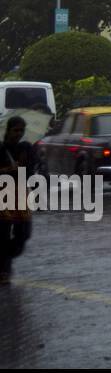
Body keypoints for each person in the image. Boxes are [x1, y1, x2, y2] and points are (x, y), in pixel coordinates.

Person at [0, 116, 36, 284]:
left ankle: (5, 258)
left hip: (22, 194)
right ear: (8, 130)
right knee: (3, 233)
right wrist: (8, 169)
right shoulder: (1, 149)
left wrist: (24, 164)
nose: (19, 134)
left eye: (22, 130)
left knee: (23, 233)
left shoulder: (26, 148)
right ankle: (4, 269)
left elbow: (30, 171)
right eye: (16, 130)